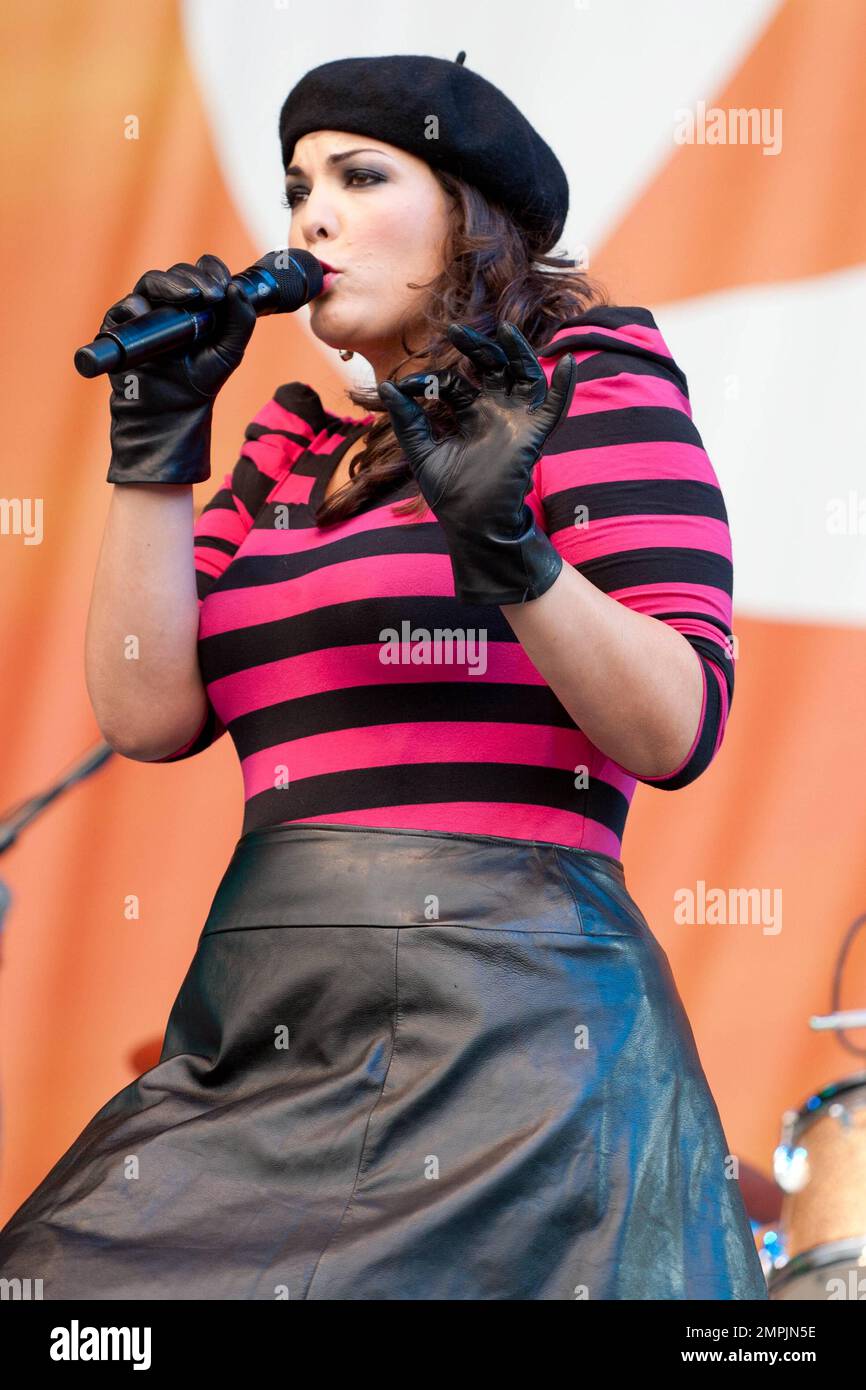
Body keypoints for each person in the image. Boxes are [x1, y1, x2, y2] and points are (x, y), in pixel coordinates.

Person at [0, 52, 768, 1301]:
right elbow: (144, 714)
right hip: (268, 1011)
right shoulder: (290, 443)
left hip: (516, 1026)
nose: (310, 215)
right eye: (297, 184)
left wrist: (511, 554)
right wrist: (151, 449)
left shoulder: (590, 379)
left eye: (359, 176)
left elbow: (675, 724)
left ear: (469, 217)